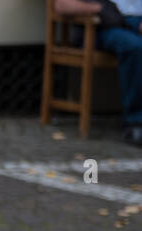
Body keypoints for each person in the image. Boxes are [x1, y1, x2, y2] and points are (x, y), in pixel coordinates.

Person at [55, 0, 142, 145]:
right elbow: (61, 5)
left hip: (136, 22)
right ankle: (136, 122)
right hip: (104, 26)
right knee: (135, 47)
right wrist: (99, 9)